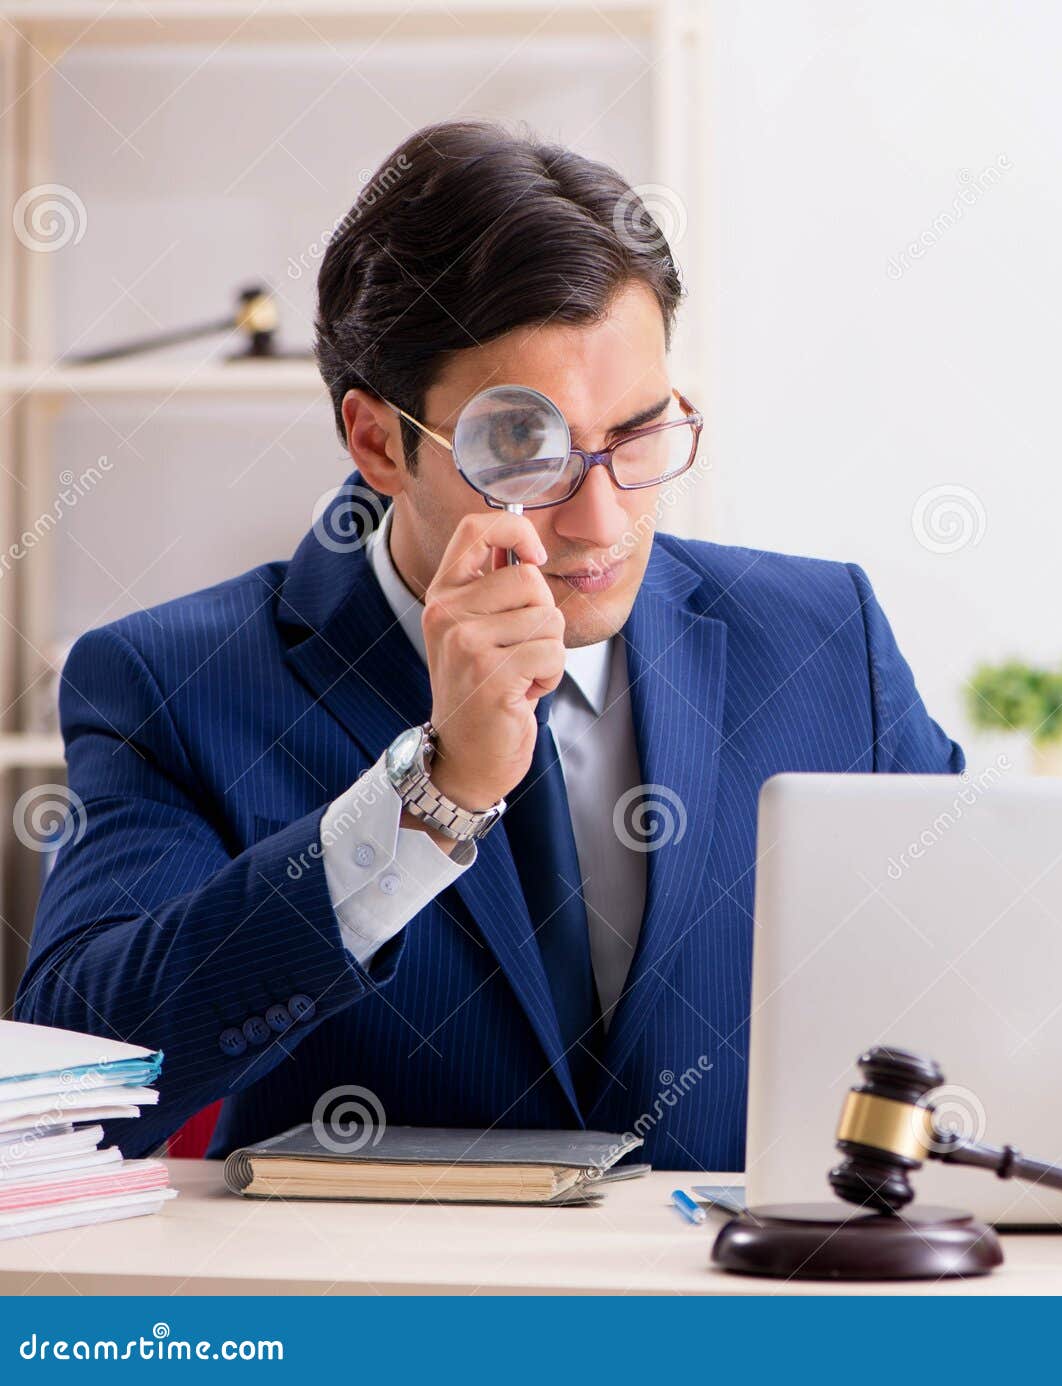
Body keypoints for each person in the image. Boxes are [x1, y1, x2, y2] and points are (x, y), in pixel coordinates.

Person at [16, 120, 962, 1170]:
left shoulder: (825, 641)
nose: (602, 525)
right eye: (524, 446)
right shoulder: (170, 686)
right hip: (381, 1320)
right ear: (378, 440)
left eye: (640, 431)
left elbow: (979, 981)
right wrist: (427, 802)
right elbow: (77, 1097)